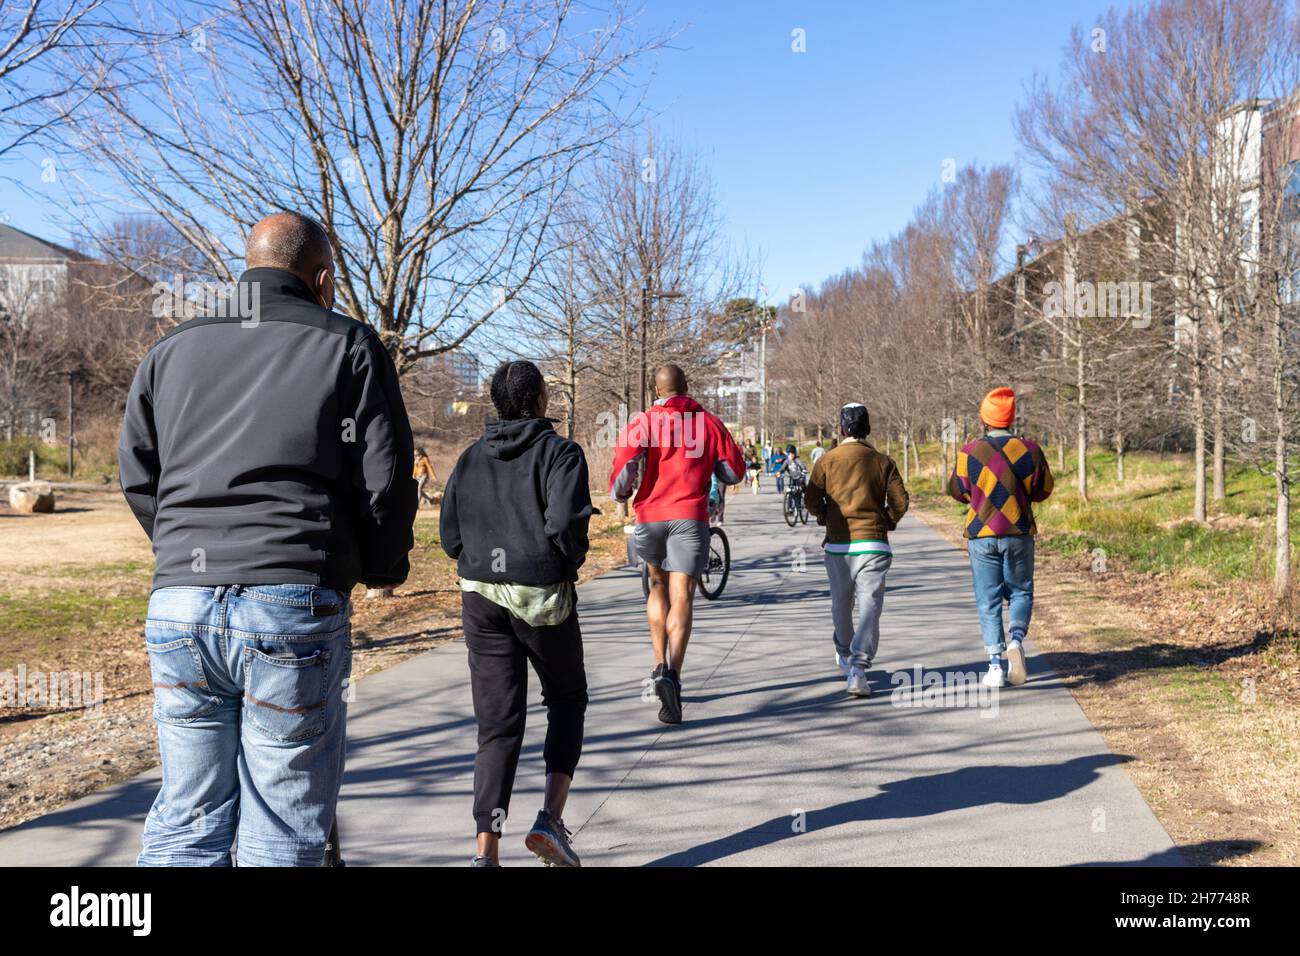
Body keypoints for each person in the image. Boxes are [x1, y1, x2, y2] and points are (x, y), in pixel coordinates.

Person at [119, 211, 417, 866]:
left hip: (180, 609)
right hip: (290, 603)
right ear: (322, 279)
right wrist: (382, 562)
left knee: (186, 816)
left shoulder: (172, 350)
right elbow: (387, 476)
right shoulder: (349, 344)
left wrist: (181, 548)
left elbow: (137, 472)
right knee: (281, 823)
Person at [440, 360, 591, 867]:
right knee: (567, 699)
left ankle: (486, 852)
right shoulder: (561, 453)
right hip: (542, 599)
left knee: (497, 725)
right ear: (541, 400)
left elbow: (449, 537)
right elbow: (567, 524)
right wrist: (564, 561)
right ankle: (550, 819)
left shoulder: (468, 459)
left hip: (481, 599)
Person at [610, 364, 744, 724]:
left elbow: (624, 471)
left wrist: (622, 492)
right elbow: (734, 471)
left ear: (656, 389)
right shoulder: (708, 422)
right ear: (687, 386)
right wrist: (710, 469)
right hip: (690, 516)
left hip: (650, 516)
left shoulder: (643, 422)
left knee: (656, 584)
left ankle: (658, 665)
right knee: (682, 594)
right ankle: (674, 677)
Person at [947, 387, 1054, 689]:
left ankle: (995, 665)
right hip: (1019, 531)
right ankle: (1016, 640)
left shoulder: (970, 452)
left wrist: (980, 495)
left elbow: (958, 490)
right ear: (1011, 416)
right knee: (1021, 591)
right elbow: (1043, 490)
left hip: (981, 533)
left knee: (988, 598)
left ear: (984, 417)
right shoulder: (1030, 450)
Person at [805, 403, 909, 697]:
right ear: (868, 429)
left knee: (840, 604)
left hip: (838, 545)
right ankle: (858, 668)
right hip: (873, 544)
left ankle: (844, 652)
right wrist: (885, 522)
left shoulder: (826, 460)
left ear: (841, 429)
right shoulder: (883, 462)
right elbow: (900, 501)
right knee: (869, 607)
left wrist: (827, 519)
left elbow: (811, 500)